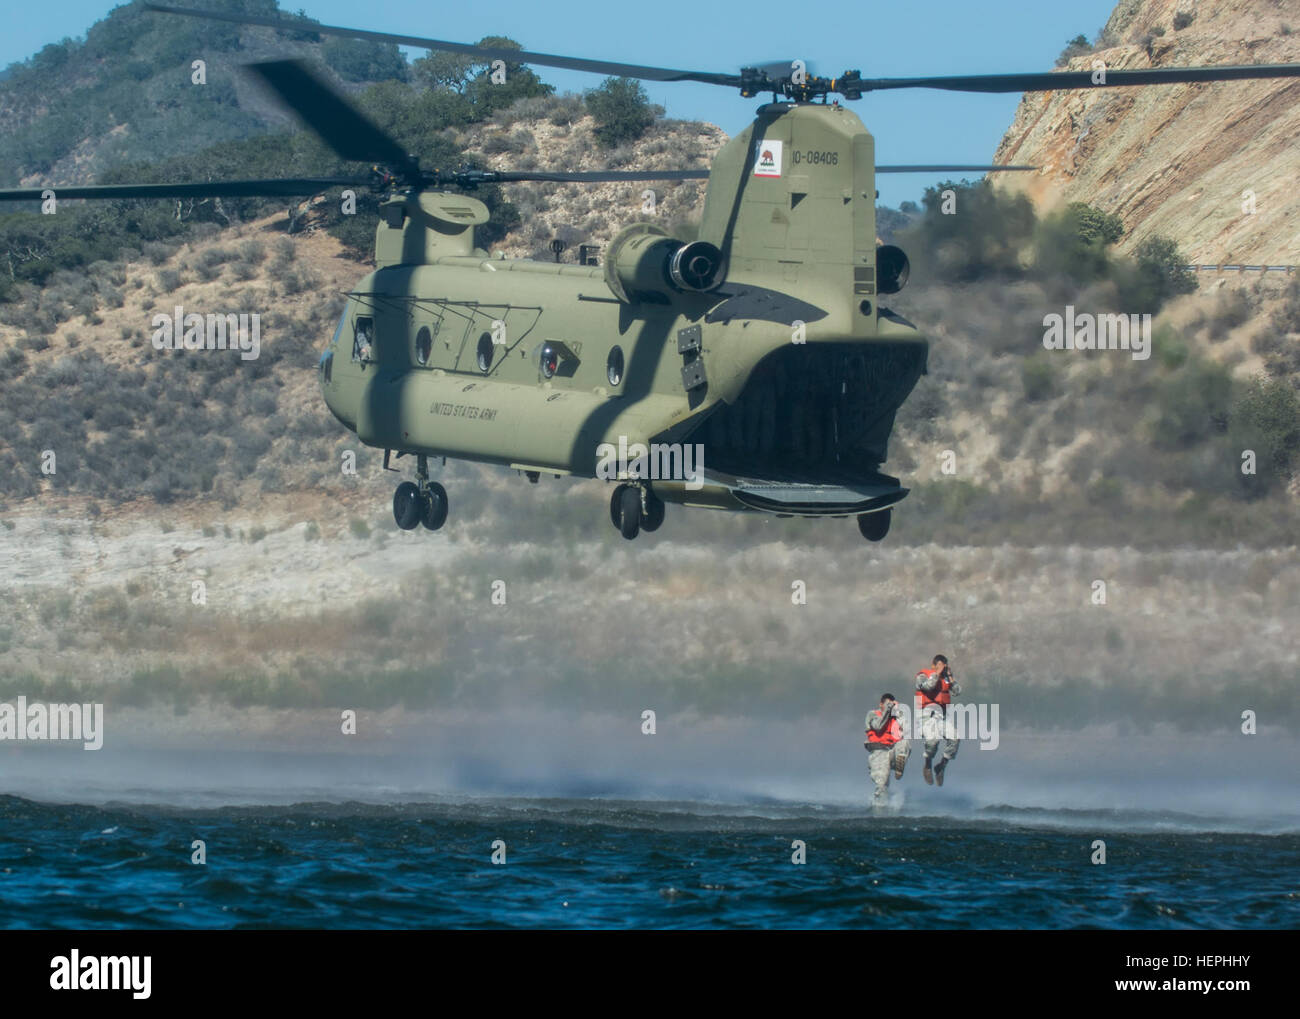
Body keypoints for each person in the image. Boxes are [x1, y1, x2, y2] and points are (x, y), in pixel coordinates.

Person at [915, 654, 961, 786]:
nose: (942, 669)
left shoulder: (946, 679)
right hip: (926, 716)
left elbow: (957, 691)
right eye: (939, 666)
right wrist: (937, 673)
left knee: (955, 738)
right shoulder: (923, 675)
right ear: (933, 665)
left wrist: (950, 677)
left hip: (942, 716)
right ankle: (927, 765)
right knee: (933, 740)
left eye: (944, 666)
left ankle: (941, 766)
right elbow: (928, 687)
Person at [864, 693, 910, 804]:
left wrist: (898, 712)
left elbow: (906, 730)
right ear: (881, 704)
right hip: (878, 751)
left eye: (891, 704)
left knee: (904, 743)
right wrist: (888, 710)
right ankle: (880, 804)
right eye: (887, 704)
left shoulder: (896, 717)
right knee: (882, 784)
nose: (890, 706)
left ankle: (899, 767)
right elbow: (878, 727)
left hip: (892, 750)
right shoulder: (872, 714)